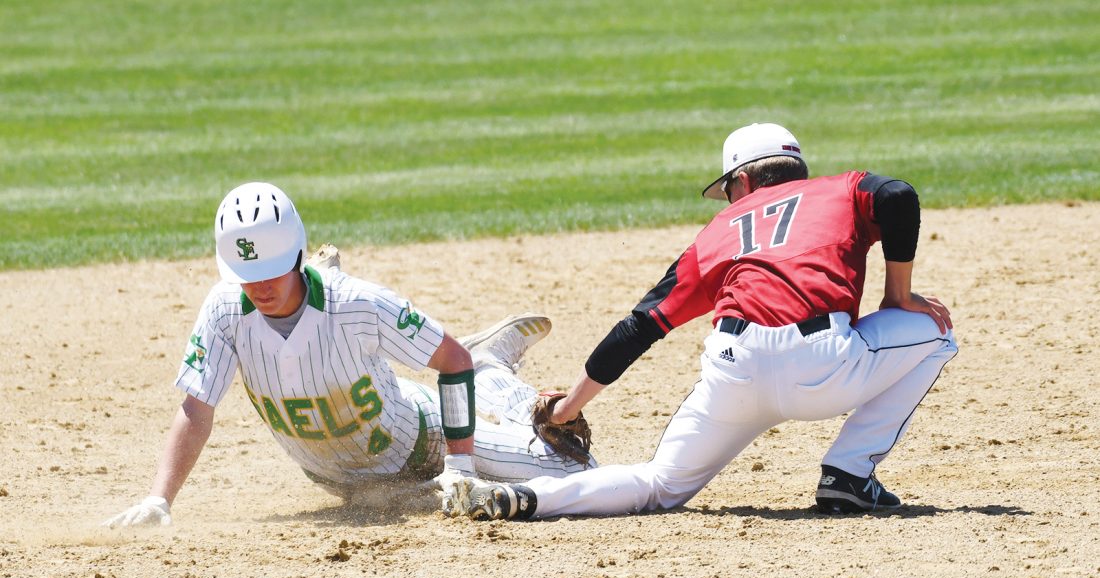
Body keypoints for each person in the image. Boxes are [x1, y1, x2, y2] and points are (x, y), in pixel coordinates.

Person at [447, 122, 957, 521]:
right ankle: (848, 473)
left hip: (734, 372)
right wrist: (898, 296)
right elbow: (898, 195)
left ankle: (526, 497)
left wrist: (567, 408)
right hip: (826, 368)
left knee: (659, 484)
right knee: (937, 332)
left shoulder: (717, 233)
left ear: (742, 181)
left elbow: (637, 329)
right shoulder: (840, 190)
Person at [104, 182, 595, 527]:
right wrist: (159, 500)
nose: (259, 288)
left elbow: (452, 363)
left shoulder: (359, 302)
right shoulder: (224, 309)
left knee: (579, 472)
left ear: (296, 254)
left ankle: (492, 369)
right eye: (247, 276)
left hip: (426, 438)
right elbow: (197, 407)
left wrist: (461, 467)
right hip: (348, 482)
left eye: (271, 272)